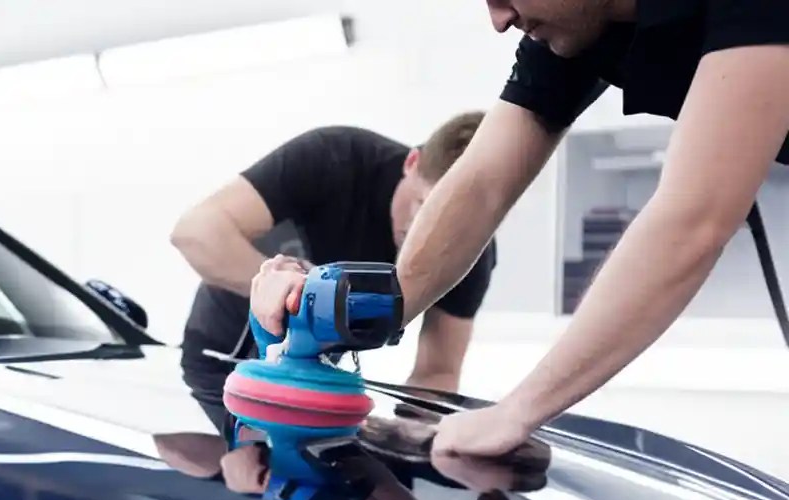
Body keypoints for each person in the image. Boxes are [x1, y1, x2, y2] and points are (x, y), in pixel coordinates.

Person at [252, 0, 789, 457]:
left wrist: (519, 411)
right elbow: (483, 182)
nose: (499, 18)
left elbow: (691, 219)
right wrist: (341, 312)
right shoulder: (579, 30)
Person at [171, 114, 499, 432]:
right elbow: (196, 233)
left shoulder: (469, 245)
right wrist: (302, 295)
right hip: (217, 366)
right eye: (422, 206)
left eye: (449, 224)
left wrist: (408, 439)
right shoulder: (333, 157)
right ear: (412, 163)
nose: (427, 232)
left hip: (310, 385)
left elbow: (437, 372)